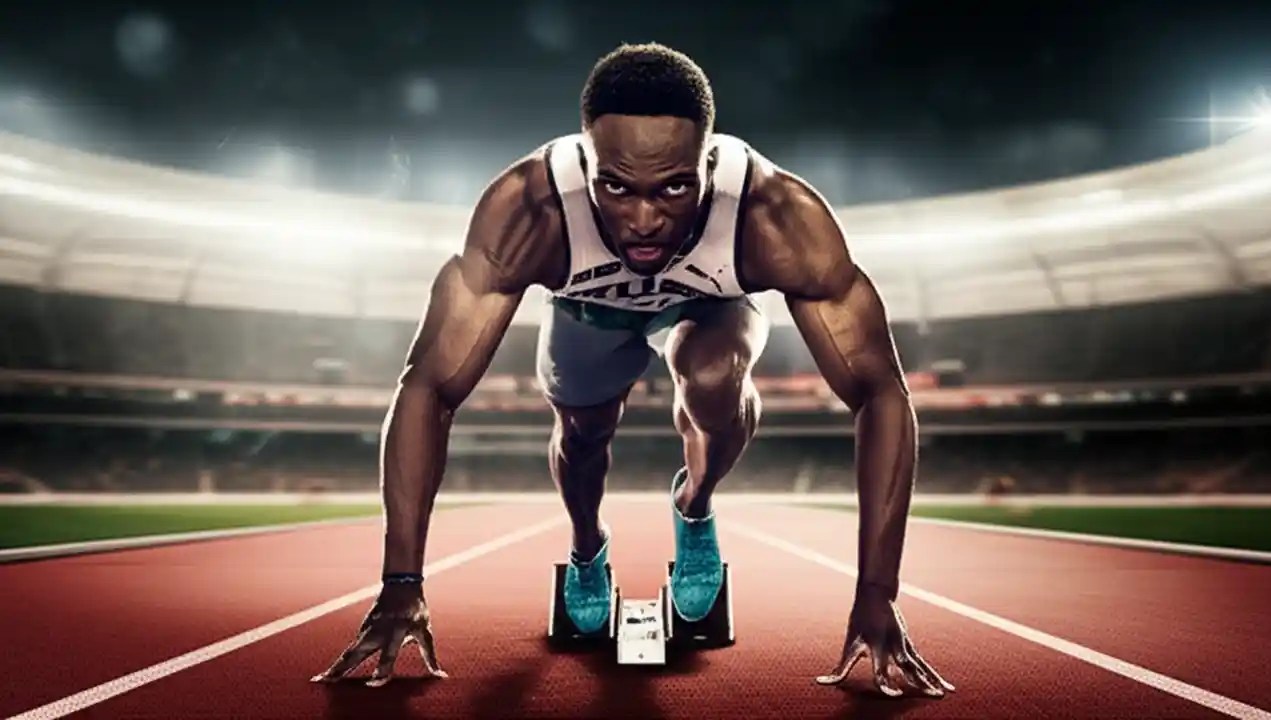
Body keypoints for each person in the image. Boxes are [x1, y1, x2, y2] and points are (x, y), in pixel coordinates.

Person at [313, 42, 954, 698]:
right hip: (587, 312)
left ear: (710, 161)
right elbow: (429, 384)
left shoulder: (773, 216)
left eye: (674, 187)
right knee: (584, 433)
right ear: (585, 162)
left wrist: (877, 594)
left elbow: (879, 392)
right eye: (616, 188)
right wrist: (401, 585)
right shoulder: (531, 210)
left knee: (712, 376)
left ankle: (694, 507)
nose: (644, 220)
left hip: (710, 305)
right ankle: (588, 547)